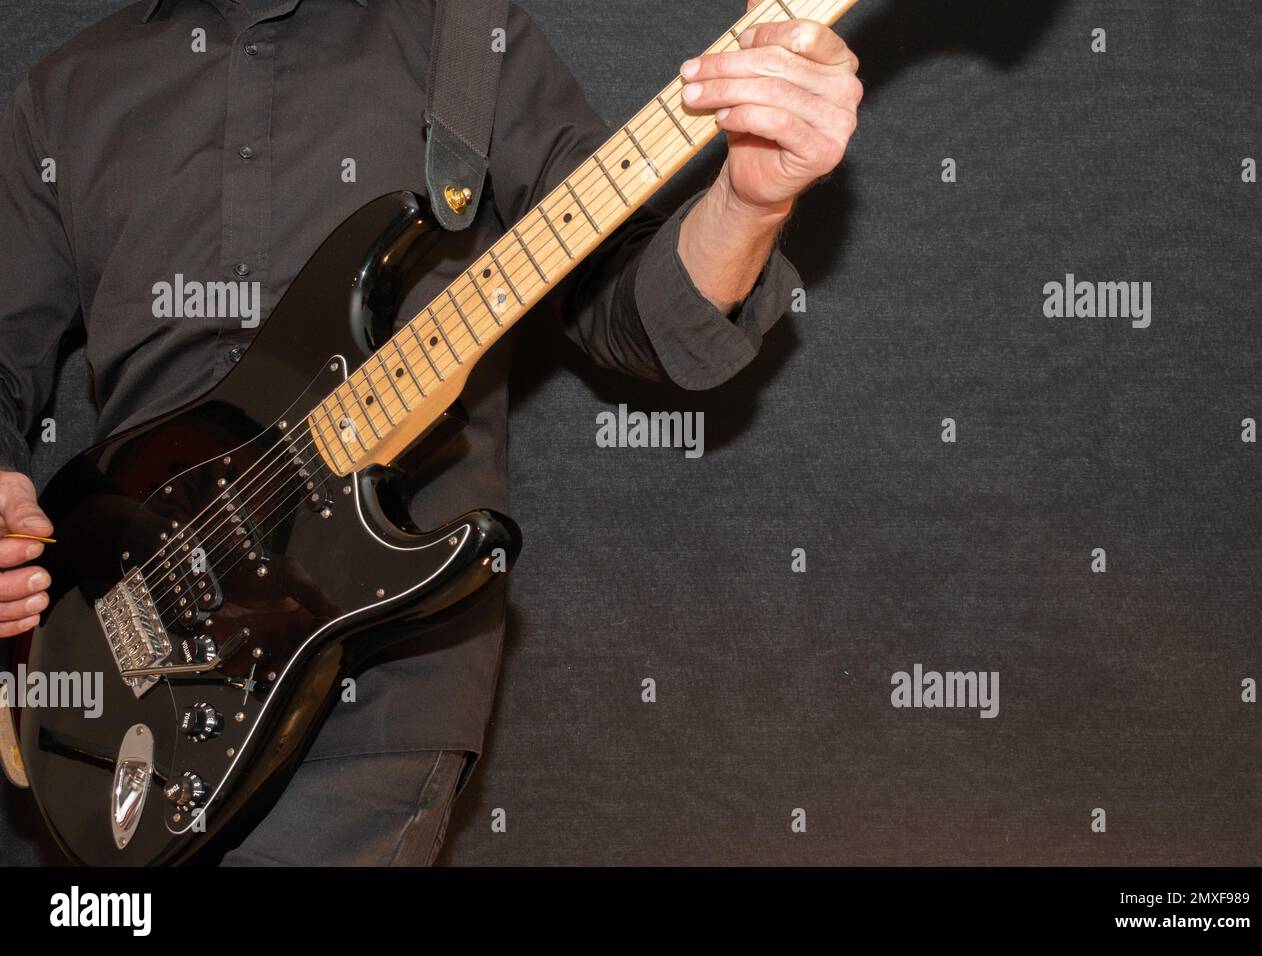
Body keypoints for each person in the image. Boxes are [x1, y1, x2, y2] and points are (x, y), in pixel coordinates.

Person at [0, 0, 861, 864]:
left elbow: (628, 308)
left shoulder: (466, 37)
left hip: (372, 685)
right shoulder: (64, 90)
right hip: (105, 662)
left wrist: (747, 205)